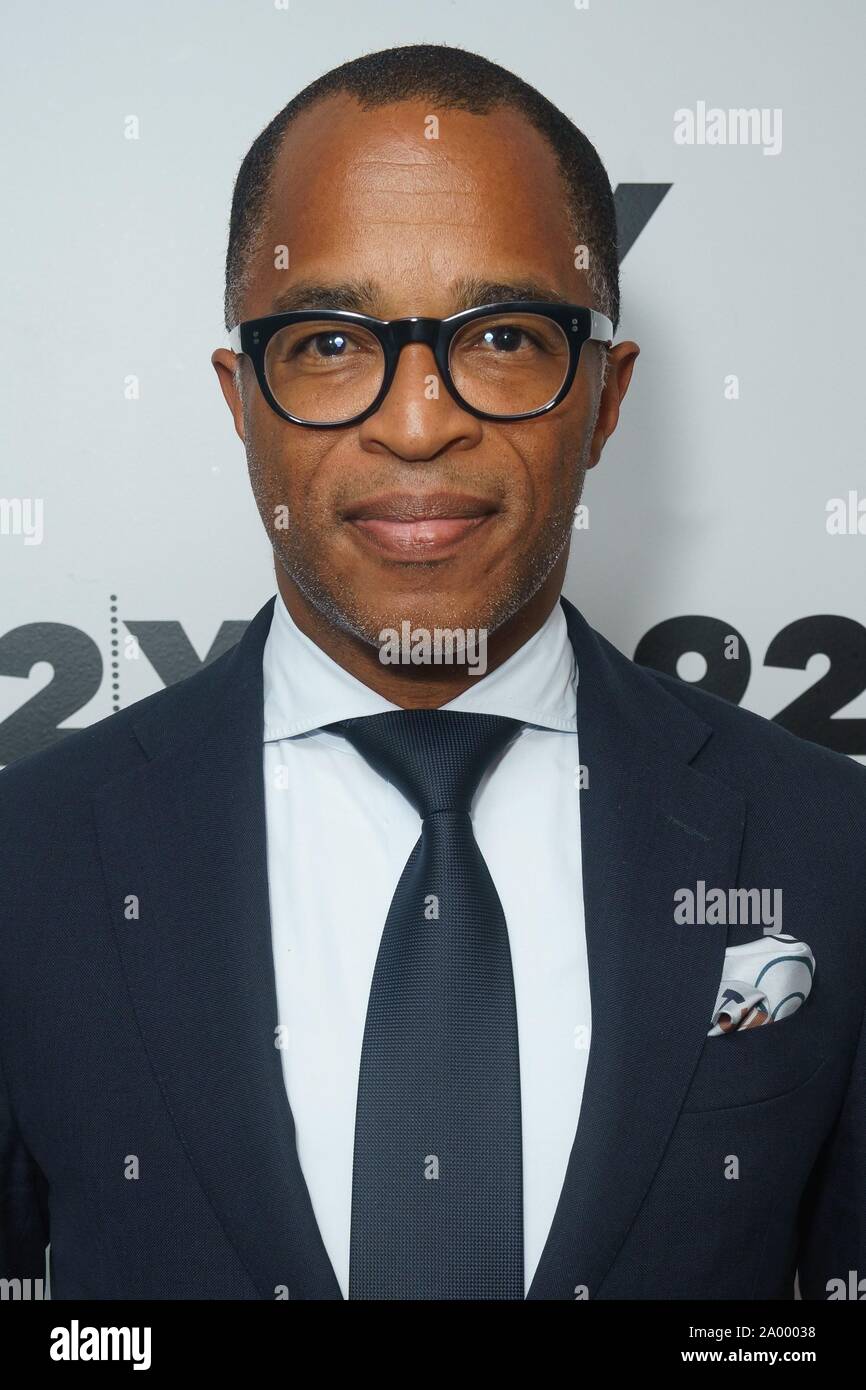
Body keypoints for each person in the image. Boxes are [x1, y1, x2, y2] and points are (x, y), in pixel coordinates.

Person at [1, 43, 864, 1302]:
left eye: (504, 336)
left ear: (605, 396)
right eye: (329, 343)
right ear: (241, 399)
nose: (417, 423)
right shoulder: (31, 859)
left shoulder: (825, 842)